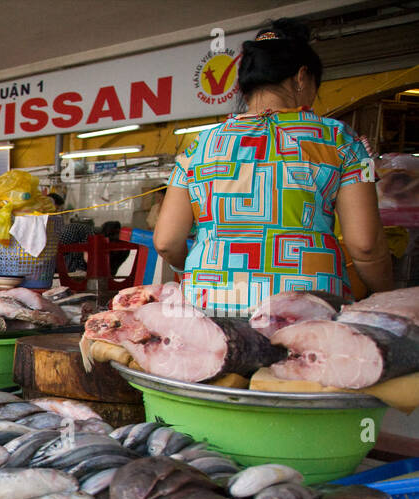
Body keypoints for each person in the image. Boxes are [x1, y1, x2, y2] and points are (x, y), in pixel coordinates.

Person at [154, 17, 392, 315]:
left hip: (211, 309)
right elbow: (366, 245)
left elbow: (165, 241)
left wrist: (192, 270)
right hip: (309, 308)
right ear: (302, 77)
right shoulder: (340, 140)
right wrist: (389, 297)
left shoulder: (199, 147)